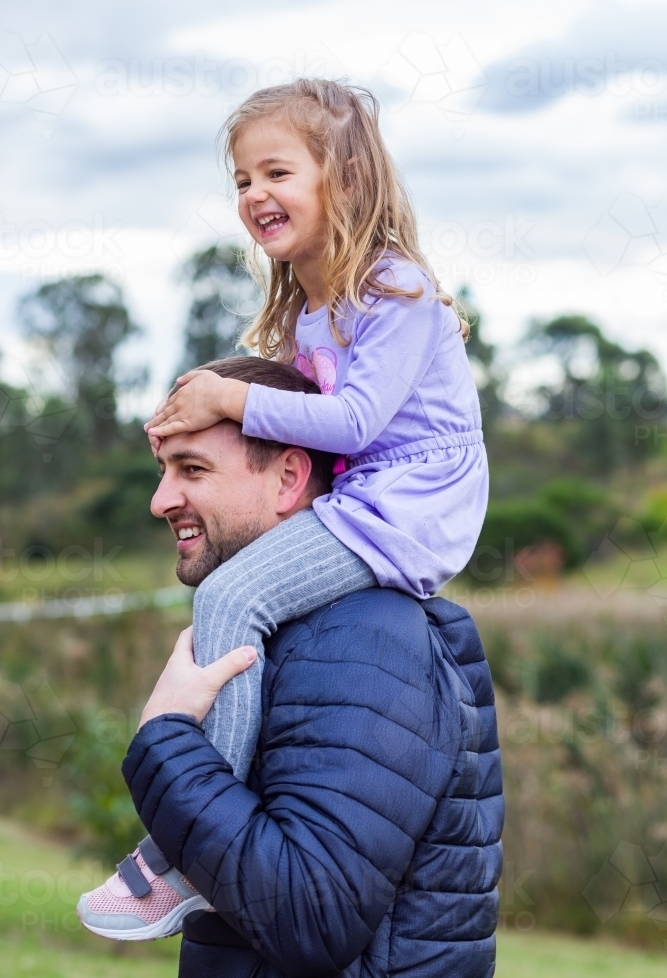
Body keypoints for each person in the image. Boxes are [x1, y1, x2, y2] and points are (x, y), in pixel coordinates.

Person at [82, 76, 488, 939]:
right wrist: (200, 420)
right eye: (241, 180)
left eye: (275, 172)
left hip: (403, 506)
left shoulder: (395, 290)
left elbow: (352, 423)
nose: (253, 194)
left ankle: (188, 849)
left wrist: (226, 398)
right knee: (242, 595)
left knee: (230, 596)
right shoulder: (314, 309)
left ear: (346, 180)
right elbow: (302, 436)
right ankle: (204, 827)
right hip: (366, 495)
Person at [82, 355, 503, 976]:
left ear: (287, 479)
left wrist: (167, 739)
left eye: (192, 469)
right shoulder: (298, 629)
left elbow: (310, 916)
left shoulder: (362, 640)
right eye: (163, 471)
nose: (160, 500)